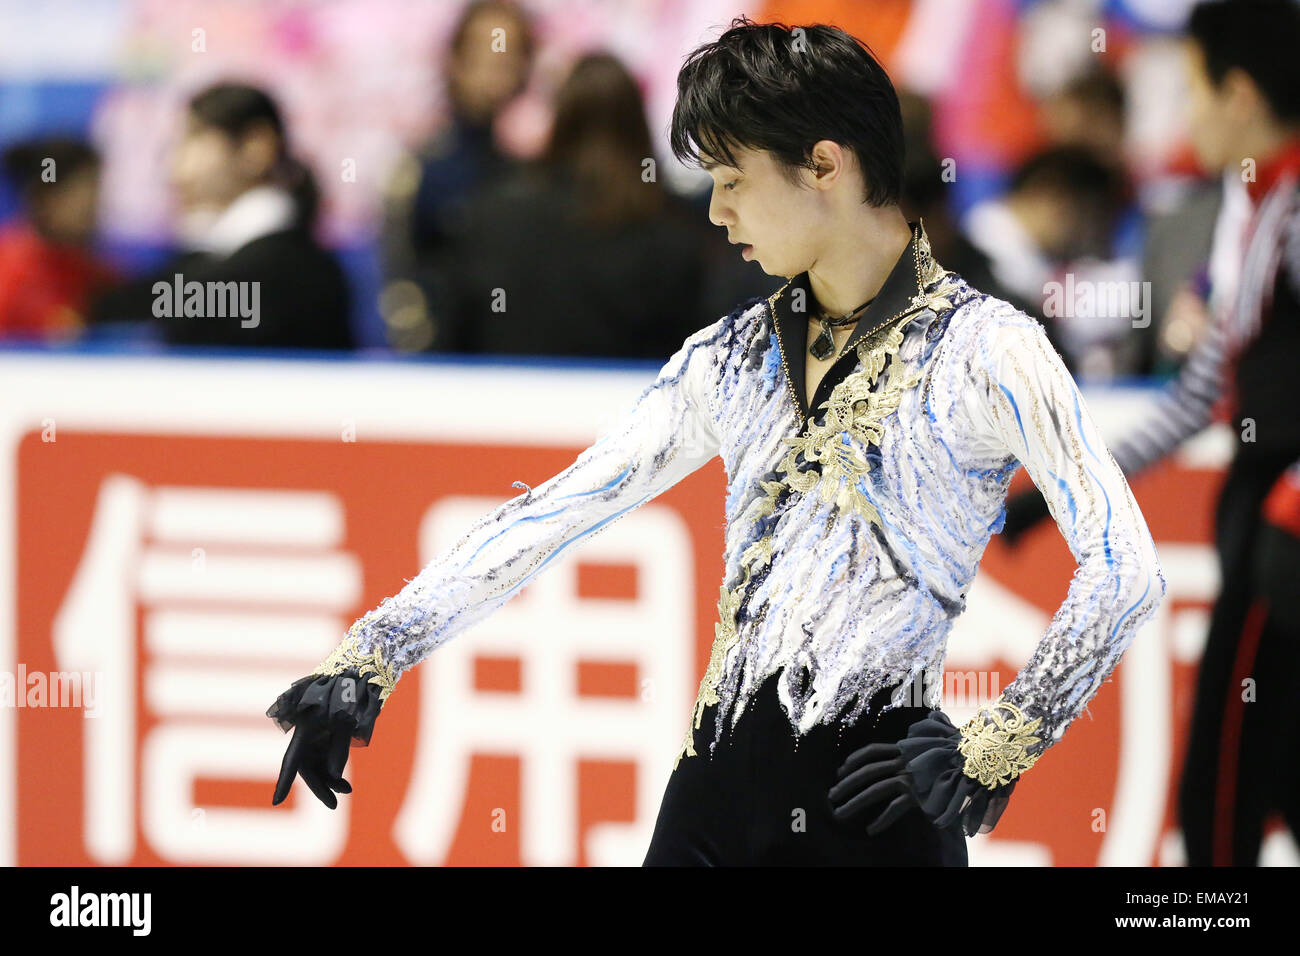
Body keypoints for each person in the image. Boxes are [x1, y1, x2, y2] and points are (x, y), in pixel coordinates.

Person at [267, 17, 1166, 866]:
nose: (716, 212)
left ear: (824, 164)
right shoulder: (732, 357)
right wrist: (372, 655)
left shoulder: (987, 351)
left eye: (733, 180)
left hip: (880, 811)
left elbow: (1124, 565)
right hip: (713, 805)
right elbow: (558, 510)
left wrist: (999, 744)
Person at [999, 0, 1300, 866]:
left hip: (1282, 523)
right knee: (1266, 773)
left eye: (1197, 90)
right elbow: (1203, 388)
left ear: (1240, 94)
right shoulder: (1254, 201)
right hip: (1265, 515)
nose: (1185, 116)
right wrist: (1059, 491)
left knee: (1224, 783)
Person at [437, 52, 713, 361]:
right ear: (638, 122)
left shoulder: (494, 213)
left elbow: (453, 338)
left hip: (507, 401)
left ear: (561, 116)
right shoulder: (677, 231)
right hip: (629, 404)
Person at [92, 82, 354, 350]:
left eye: (192, 139)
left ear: (256, 147)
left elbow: (174, 315)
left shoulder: (296, 271)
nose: (174, 166)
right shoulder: (205, 256)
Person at [0, 137, 116, 342]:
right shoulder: (10, 270)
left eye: (96, 189)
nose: (92, 206)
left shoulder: (96, 272)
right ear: (46, 198)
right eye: (81, 191)